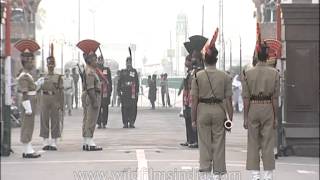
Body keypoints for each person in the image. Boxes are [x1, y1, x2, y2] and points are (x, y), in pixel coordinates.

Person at [191, 30, 233, 179]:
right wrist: (230, 119)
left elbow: (194, 100)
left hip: (202, 110)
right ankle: (218, 175)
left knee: (204, 144)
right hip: (219, 111)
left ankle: (206, 174)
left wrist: (193, 119)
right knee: (219, 144)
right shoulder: (225, 76)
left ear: (205, 59)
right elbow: (228, 100)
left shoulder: (197, 76)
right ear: (216, 58)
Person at [242, 41, 280, 180]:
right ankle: (268, 174)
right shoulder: (274, 73)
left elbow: (245, 98)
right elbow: (275, 98)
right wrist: (275, 117)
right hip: (268, 106)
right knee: (268, 141)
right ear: (267, 56)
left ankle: (255, 174)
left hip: (253, 106)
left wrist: (246, 117)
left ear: (257, 56)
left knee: (253, 141)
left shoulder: (248, 73)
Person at [14, 39, 42, 158]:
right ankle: (26, 149)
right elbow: (25, 93)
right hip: (28, 102)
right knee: (27, 125)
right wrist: (27, 107)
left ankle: (28, 146)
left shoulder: (28, 75)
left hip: (31, 100)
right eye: (31, 61)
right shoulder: (24, 76)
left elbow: (32, 88)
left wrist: (38, 83)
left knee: (30, 125)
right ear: (25, 62)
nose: (33, 63)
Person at [76, 39, 103, 151]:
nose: (96, 60)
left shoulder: (90, 69)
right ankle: (90, 141)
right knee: (91, 119)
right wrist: (94, 101)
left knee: (87, 119)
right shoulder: (90, 72)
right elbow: (91, 88)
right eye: (94, 59)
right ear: (89, 60)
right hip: (92, 96)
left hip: (88, 95)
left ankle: (86, 141)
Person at [39, 44, 64, 151]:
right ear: (47, 64)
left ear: (54, 65)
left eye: (52, 63)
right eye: (49, 63)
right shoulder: (42, 76)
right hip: (44, 98)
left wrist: (61, 104)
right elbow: (37, 89)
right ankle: (45, 140)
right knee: (44, 119)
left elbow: (61, 91)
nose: (50, 65)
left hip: (54, 98)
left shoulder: (58, 77)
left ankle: (54, 141)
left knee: (55, 119)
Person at [179, 52, 198, 149]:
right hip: (186, 98)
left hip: (192, 98)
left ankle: (195, 140)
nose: (185, 62)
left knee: (192, 119)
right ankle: (189, 139)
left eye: (187, 60)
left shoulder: (195, 72)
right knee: (187, 119)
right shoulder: (188, 72)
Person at [118, 50, 139, 128]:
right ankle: (125, 122)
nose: (128, 63)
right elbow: (119, 82)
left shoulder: (134, 71)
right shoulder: (123, 72)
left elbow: (137, 82)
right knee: (124, 108)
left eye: (130, 62)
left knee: (133, 108)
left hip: (132, 93)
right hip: (125, 93)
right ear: (126, 63)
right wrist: (118, 92)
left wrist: (137, 92)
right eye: (127, 62)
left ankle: (132, 121)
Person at [96, 56, 112, 129]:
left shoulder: (107, 69)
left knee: (105, 107)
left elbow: (109, 81)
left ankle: (104, 122)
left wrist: (110, 91)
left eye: (101, 60)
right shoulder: (95, 69)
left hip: (105, 91)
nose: (100, 61)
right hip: (98, 91)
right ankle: (99, 123)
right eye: (99, 60)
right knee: (98, 108)